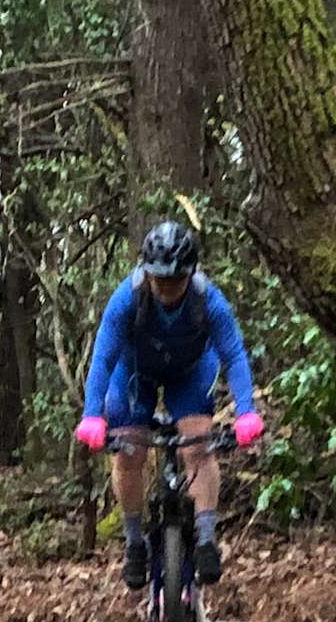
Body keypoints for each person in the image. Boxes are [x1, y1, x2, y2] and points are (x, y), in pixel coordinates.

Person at [74, 221, 263, 589]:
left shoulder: (209, 299)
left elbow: (234, 354)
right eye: (159, 280)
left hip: (190, 372)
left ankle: (206, 539)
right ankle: (134, 543)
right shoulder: (127, 298)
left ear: (189, 275)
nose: (166, 288)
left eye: (175, 281)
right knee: (129, 451)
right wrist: (92, 415)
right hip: (134, 376)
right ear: (146, 272)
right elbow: (103, 357)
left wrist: (246, 411)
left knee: (199, 445)